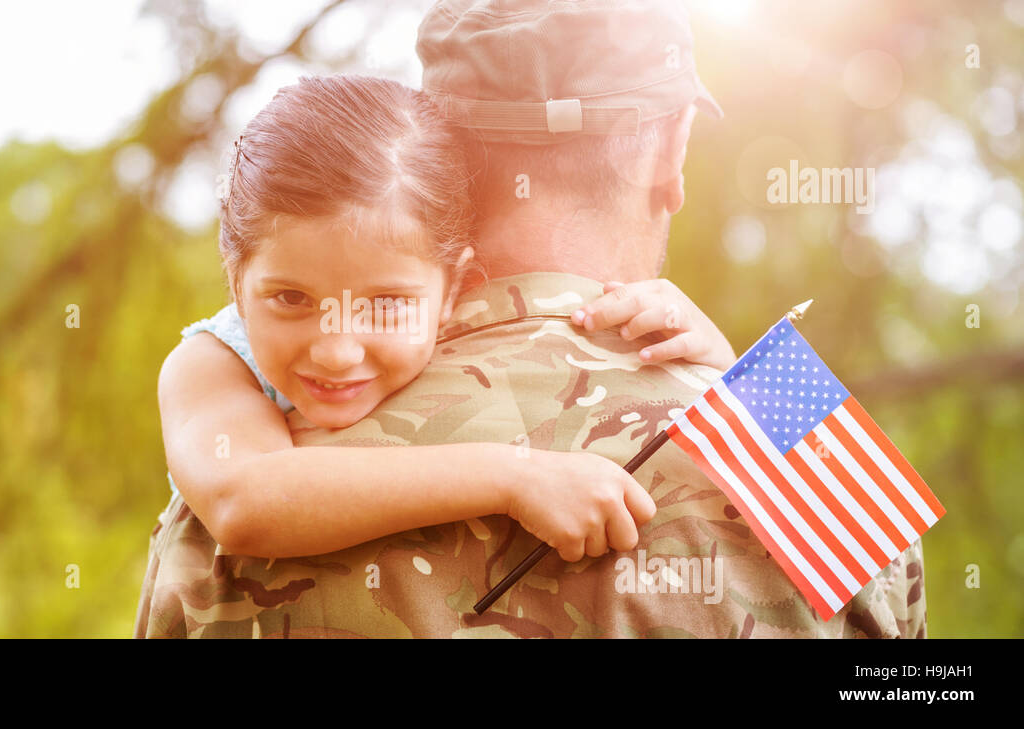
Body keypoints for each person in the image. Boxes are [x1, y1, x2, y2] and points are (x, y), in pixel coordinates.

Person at [135, 0, 927, 638]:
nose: (338, 349)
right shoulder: (818, 457)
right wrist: (727, 381)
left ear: (438, 154)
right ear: (670, 154)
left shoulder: (215, 522)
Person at [157, 74, 736, 569]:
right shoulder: (212, 363)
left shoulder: (475, 334)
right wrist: (515, 478)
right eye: (289, 298)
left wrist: (720, 364)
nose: (336, 350)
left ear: (453, 289)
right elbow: (244, 503)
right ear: (236, 283)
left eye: (386, 304)